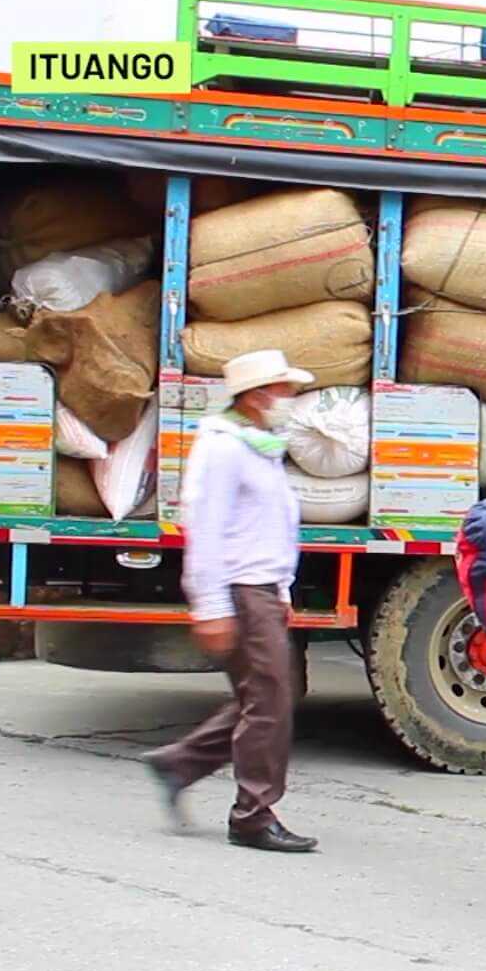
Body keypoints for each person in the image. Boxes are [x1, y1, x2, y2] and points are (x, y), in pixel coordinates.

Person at [143, 349, 318, 853]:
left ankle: (179, 764)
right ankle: (252, 816)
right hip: (240, 590)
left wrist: (282, 590)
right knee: (270, 701)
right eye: (284, 390)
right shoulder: (223, 449)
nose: (291, 398)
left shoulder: (260, 446)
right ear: (258, 395)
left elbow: (270, 527)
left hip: (262, 588)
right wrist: (211, 606)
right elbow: (205, 528)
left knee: (267, 694)